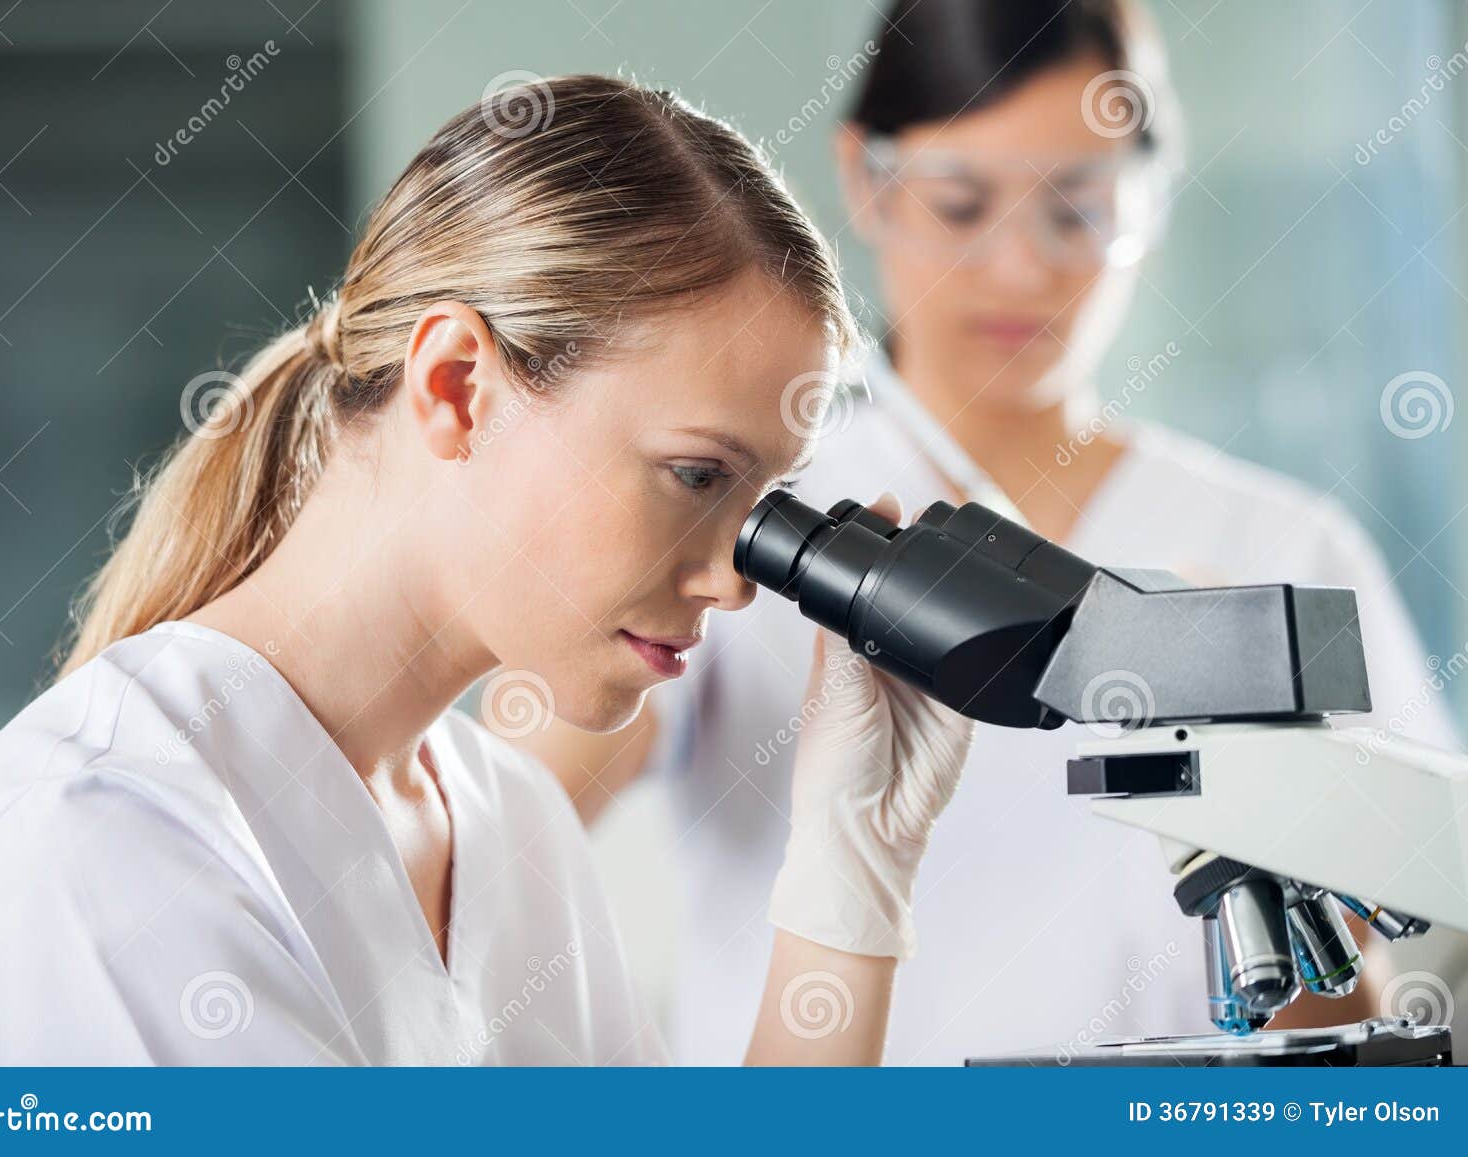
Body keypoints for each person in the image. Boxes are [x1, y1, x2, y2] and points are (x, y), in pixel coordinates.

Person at [0, 75, 974, 1066]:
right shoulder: (111, 832)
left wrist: (848, 870)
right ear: (456, 386)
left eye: (766, 502)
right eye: (696, 475)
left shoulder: (512, 824)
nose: (735, 583)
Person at [518, 1, 1462, 1064]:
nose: (1019, 268)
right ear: (865, 177)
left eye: (1076, 211)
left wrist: (1268, 817)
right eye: (961, 204)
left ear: (1148, 199)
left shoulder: (1283, 545)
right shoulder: (729, 513)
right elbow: (488, 851)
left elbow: (1359, 1047)